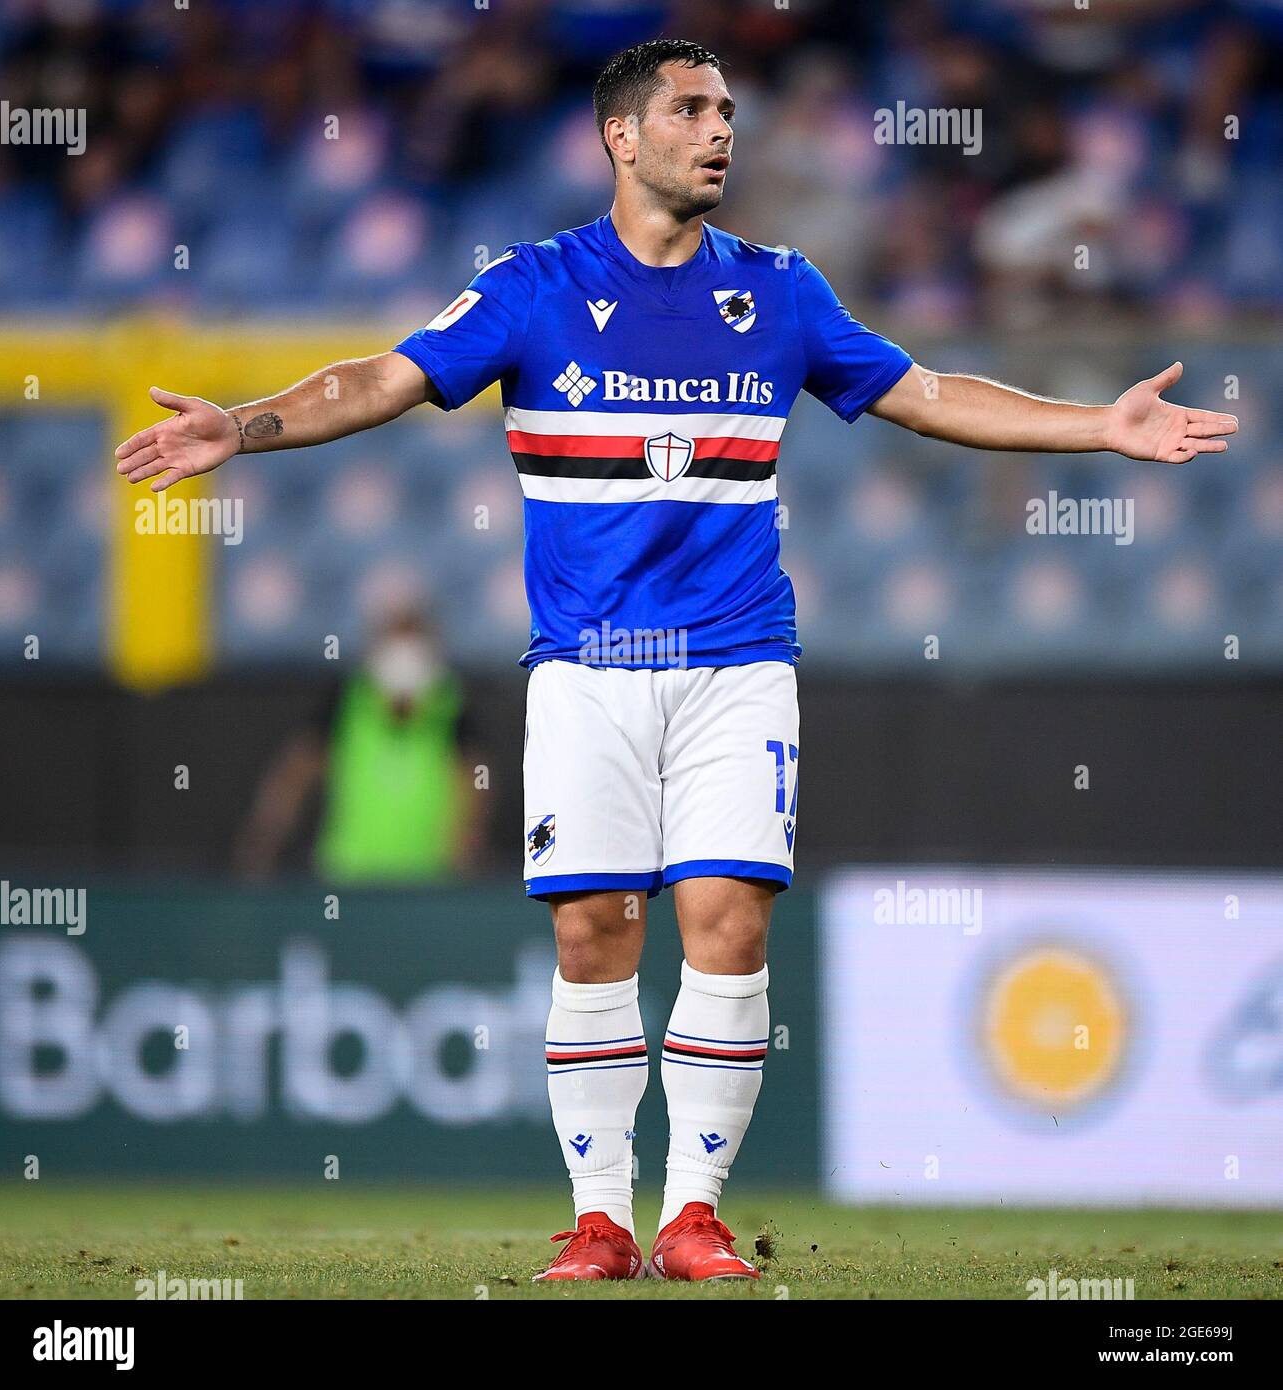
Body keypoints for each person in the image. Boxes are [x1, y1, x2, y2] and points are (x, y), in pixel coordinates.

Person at [113, 38, 1237, 1282]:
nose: (718, 131)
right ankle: (600, 1217)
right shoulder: (532, 287)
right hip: (586, 667)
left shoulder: (782, 290)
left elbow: (924, 392)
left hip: (736, 658)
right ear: (620, 137)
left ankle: (693, 1212)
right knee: (596, 927)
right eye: (691, 109)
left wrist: (1099, 426)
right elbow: (378, 379)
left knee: (725, 916)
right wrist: (248, 425)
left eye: (727, 111)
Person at [234, 603, 484, 885]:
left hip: (426, 882)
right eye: (394, 647)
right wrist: (261, 845)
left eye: (414, 649)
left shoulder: (449, 705)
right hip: (349, 878)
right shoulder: (346, 700)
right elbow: (294, 775)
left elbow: (475, 786)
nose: (404, 662)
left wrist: (463, 858)